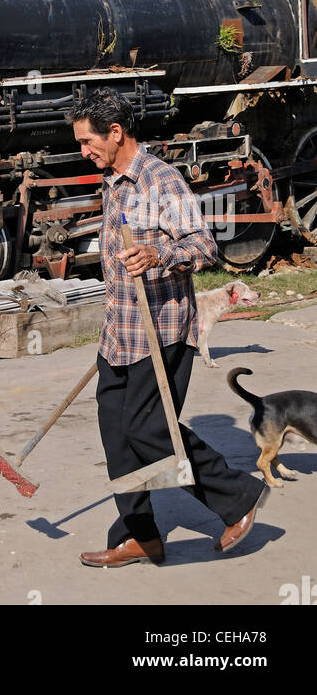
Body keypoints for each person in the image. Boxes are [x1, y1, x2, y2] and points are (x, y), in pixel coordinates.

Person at [71, 87, 266, 567]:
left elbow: (204, 248)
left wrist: (160, 254)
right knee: (118, 437)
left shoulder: (162, 181)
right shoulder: (112, 180)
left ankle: (237, 498)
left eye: (87, 142)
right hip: (119, 333)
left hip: (162, 333)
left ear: (116, 133)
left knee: (151, 430)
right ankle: (141, 536)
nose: (83, 151)